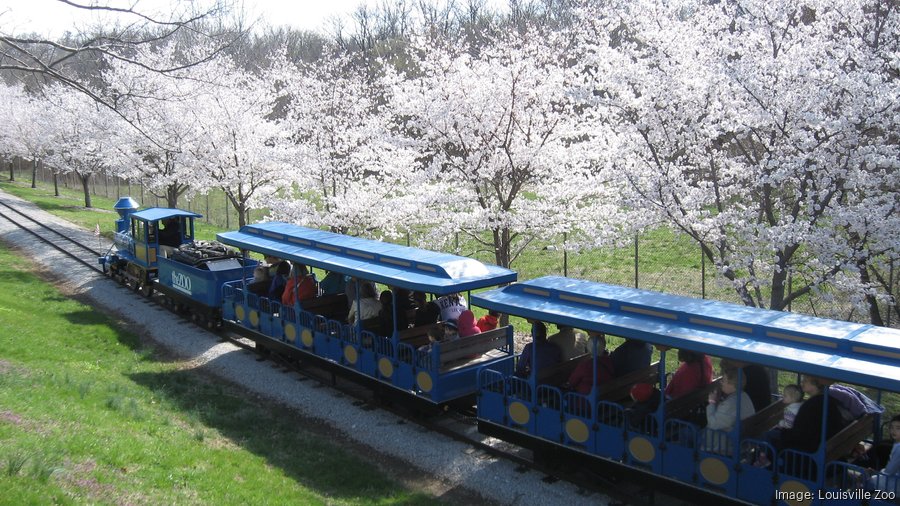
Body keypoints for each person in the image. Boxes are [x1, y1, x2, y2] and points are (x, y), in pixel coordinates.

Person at [704, 369, 755, 454]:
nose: (721, 383)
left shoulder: (730, 404)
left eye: (724, 380)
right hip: (741, 441)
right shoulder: (745, 396)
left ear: (732, 384)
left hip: (722, 446)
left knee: (687, 433)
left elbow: (713, 424)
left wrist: (711, 402)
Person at [867, 414, 900, 495]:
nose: (893, 431)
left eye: (898, 428)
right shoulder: (897, 445)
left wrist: (875, 473)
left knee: (866, 480)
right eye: (891, 427)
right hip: (894, 479)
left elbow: (889, 471)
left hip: (895, 484)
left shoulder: (898, 448)